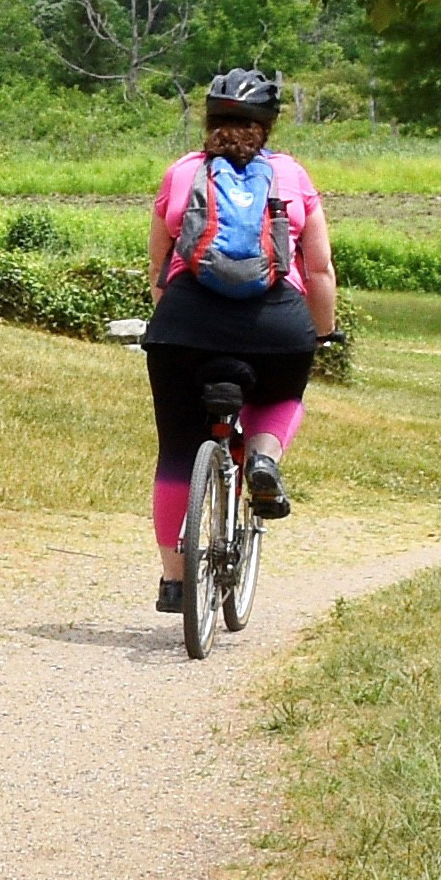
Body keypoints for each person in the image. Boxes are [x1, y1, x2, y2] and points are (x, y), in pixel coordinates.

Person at [141, 68, 340, 613]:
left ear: (208, 122)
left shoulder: (181, 173)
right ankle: (262, 458)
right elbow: (319, 269)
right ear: (267, 127)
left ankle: (174, 582)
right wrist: (323, 332)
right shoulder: (291, 176)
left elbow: (159, 269)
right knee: (282, 396)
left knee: (177, 452)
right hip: (275, 325)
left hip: (185, 326)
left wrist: (172, 327)